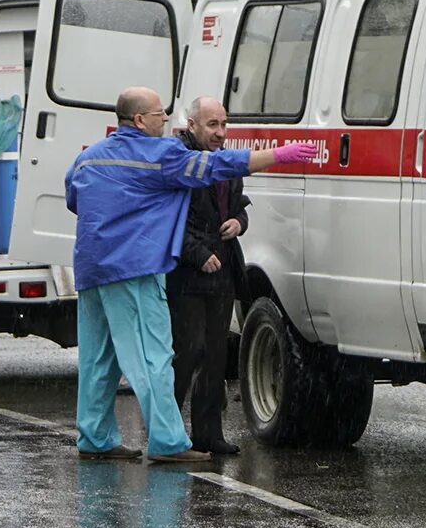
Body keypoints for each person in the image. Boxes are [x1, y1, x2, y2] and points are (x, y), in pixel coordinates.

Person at [67, 86, 315, 464]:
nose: (165, 119)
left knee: (99, 357)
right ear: (138, 120)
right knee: (153, 355)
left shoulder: (88, 157)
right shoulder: (162, 155)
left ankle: (95, 436)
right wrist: (279, 155)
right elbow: (217, 165)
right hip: (132, 266)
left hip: (90, 267)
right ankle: (168, 441)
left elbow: (74, 198)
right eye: (158, 114)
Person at [167, 97, 249, 455]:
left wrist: (240, 223)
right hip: (187, 274)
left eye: (224, 124)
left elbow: (239, 206)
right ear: (192, 125)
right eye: (213, 125)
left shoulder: (227, 162)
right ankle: (167, 432)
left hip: (224, 270)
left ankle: (208, 434)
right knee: (186, 353)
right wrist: (198, 254)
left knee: (216, 355)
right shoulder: (176, 160)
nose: (220, 132)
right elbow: (168, 220)